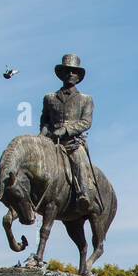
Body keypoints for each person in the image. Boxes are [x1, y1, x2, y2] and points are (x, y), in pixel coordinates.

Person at [41, 54, 100, 215]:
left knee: (79, 159)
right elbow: (45, 122)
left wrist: (66, 130)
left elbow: (86, 122)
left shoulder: (86, 99)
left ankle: (83, 194)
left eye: (74, 72)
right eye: (67, 71)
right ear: (61, 74)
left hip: (73, 143)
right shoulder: (49, 98)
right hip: (52, 143)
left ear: (79, 76)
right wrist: (42, 137)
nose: (71, 74)